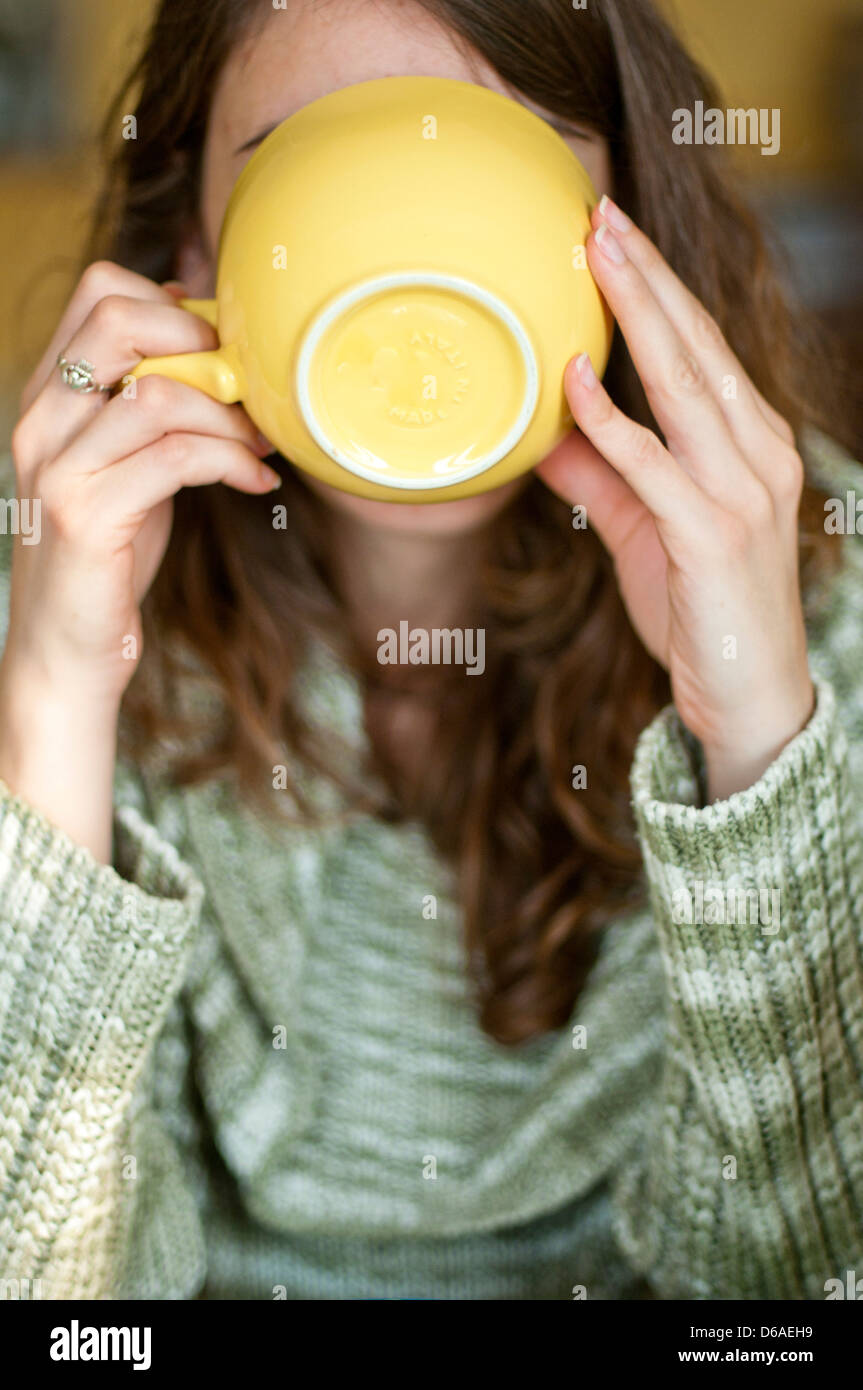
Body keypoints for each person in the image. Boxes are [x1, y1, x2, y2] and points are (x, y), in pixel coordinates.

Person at [0, 0, 861, 1301]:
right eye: (308, 149)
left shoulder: (821, 570)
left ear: (625, 213)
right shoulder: (47, 561)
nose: (412, 255)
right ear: (197, 251)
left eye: (503, 145)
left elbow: (800, 1294)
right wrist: (56, 697)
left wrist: (754, 732)